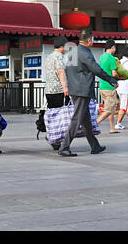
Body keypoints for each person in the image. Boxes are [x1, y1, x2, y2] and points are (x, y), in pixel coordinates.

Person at [55, 29, 117, 158]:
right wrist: (111, 79)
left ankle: (95, 146)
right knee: (77, 118)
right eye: (93, 39)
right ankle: (64, 147)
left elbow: (68, 70)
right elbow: (96, 69)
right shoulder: (85, 53)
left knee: (86, 120)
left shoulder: (73, 52)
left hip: (75, 89)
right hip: (82, 90)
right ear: (89, 40)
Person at [95, 40, 120, 131]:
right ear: (113, 47)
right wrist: (120, 77)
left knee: (110, 108)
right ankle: (95, 123)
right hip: (109, 87)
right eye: (115, 48)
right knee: (109, 109)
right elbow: (114, 74)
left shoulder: (102, 57)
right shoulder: (112, 58)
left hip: (102, 86)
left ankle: (112, 128)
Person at [43, 39, 70, 110]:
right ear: (61, 47)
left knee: (51, 112)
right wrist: (65, 87)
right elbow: (60, 71)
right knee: (58, 113)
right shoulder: (59, 56)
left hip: (48, 90)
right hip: (58, 90)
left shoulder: (49, 56)